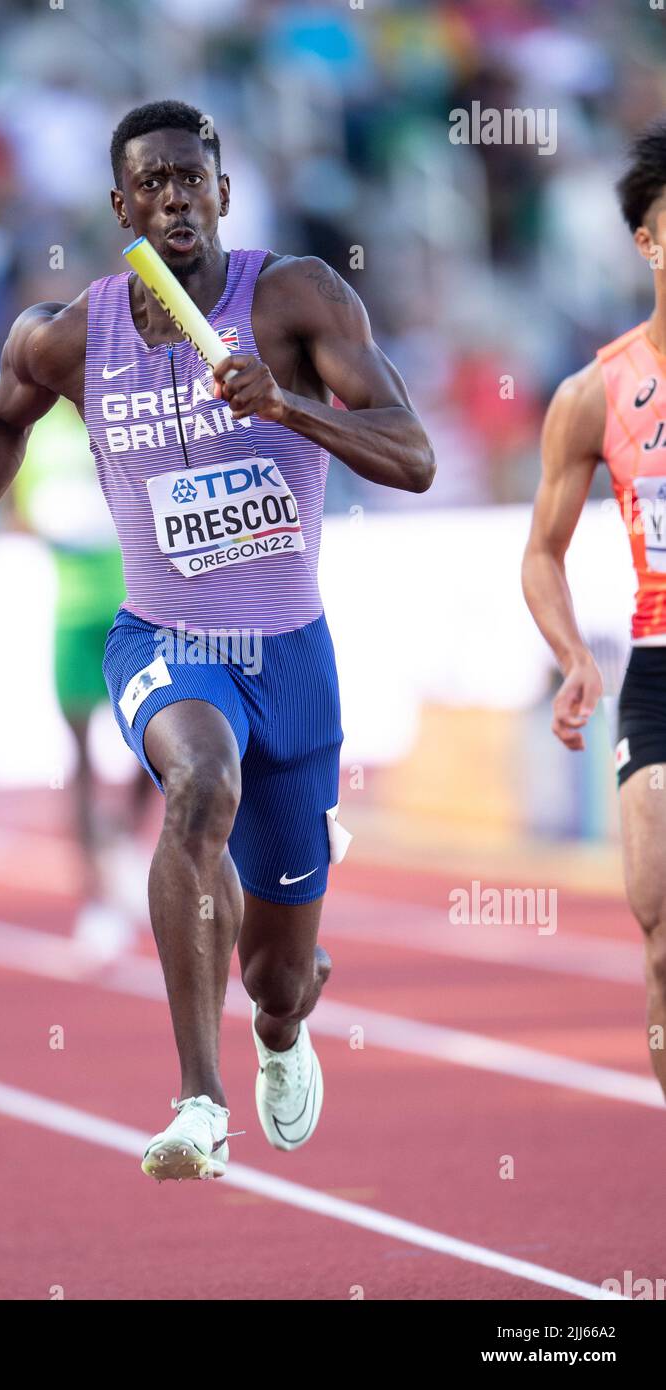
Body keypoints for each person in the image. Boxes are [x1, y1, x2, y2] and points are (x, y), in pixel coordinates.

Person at [0, 100, 435, 1179]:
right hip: (162, 636)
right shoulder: (66, 335)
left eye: (194, 177)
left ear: (224, 194)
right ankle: (199, 1099)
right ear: (121, 205)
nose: (176, 196)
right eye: (153, 181)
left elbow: (412, 455)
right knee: (195, 782)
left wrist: (286, 407)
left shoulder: (295, 297)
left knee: (275, 975)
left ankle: (280, 1030)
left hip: (290, 658)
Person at [523, 117, 666, 1101]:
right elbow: (541, 551)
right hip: (656, 666)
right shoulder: (594, 392)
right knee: (657, 920)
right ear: (647, 240)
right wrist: (573, 652)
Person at [10, 391, 154, 956]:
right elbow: (21, 515)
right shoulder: (42, 438)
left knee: (159, 746)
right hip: (72, 614)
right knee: (80, 757)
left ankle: (125, 841)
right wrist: (53, 525)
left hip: (136, 608)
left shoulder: (128, 420)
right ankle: (95, 897)